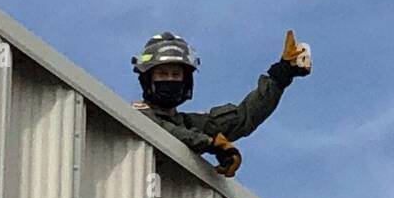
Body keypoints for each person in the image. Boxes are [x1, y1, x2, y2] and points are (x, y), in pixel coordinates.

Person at [131, 30, 311, 177]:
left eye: (176, 74)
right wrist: (211, 144)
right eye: (163, 74)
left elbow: (243, 117)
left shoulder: (189, 123)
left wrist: (281, 74)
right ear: (148, 80)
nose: (170, 80)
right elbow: (166, 130)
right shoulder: (137, 114)